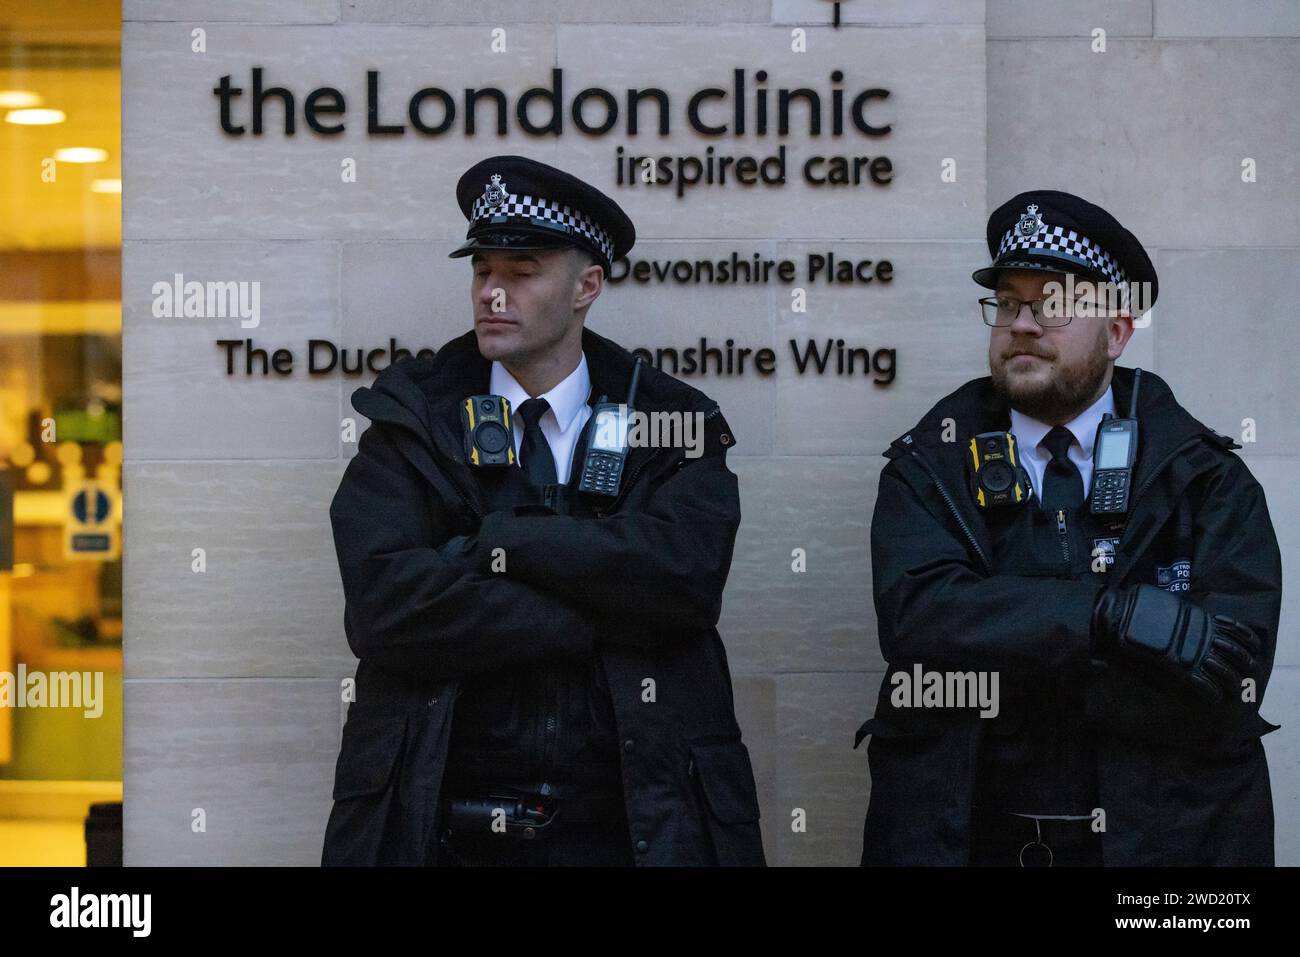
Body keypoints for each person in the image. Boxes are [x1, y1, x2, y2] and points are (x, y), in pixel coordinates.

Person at [321, 155, 764, 866]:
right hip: (445, 824)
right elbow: (384, 606)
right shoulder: (414, 415)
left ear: (587, 285)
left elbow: (685, 578)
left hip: (630, 823)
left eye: (520, 271)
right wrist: (600, 609)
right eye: (482, 271)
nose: (492, 293)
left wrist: (498, 542)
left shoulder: (672, 419)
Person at [856, 190, 1282, 866]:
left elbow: (1229, 666)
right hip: (966, 840)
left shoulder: (1204, 480)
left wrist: (1009, 633)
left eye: (1052, 304)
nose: (1022, 324)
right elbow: (921, 620)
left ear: (1116, 332)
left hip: (1160, 848)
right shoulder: (928, 465)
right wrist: (1105, 617)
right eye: (1008, 302)